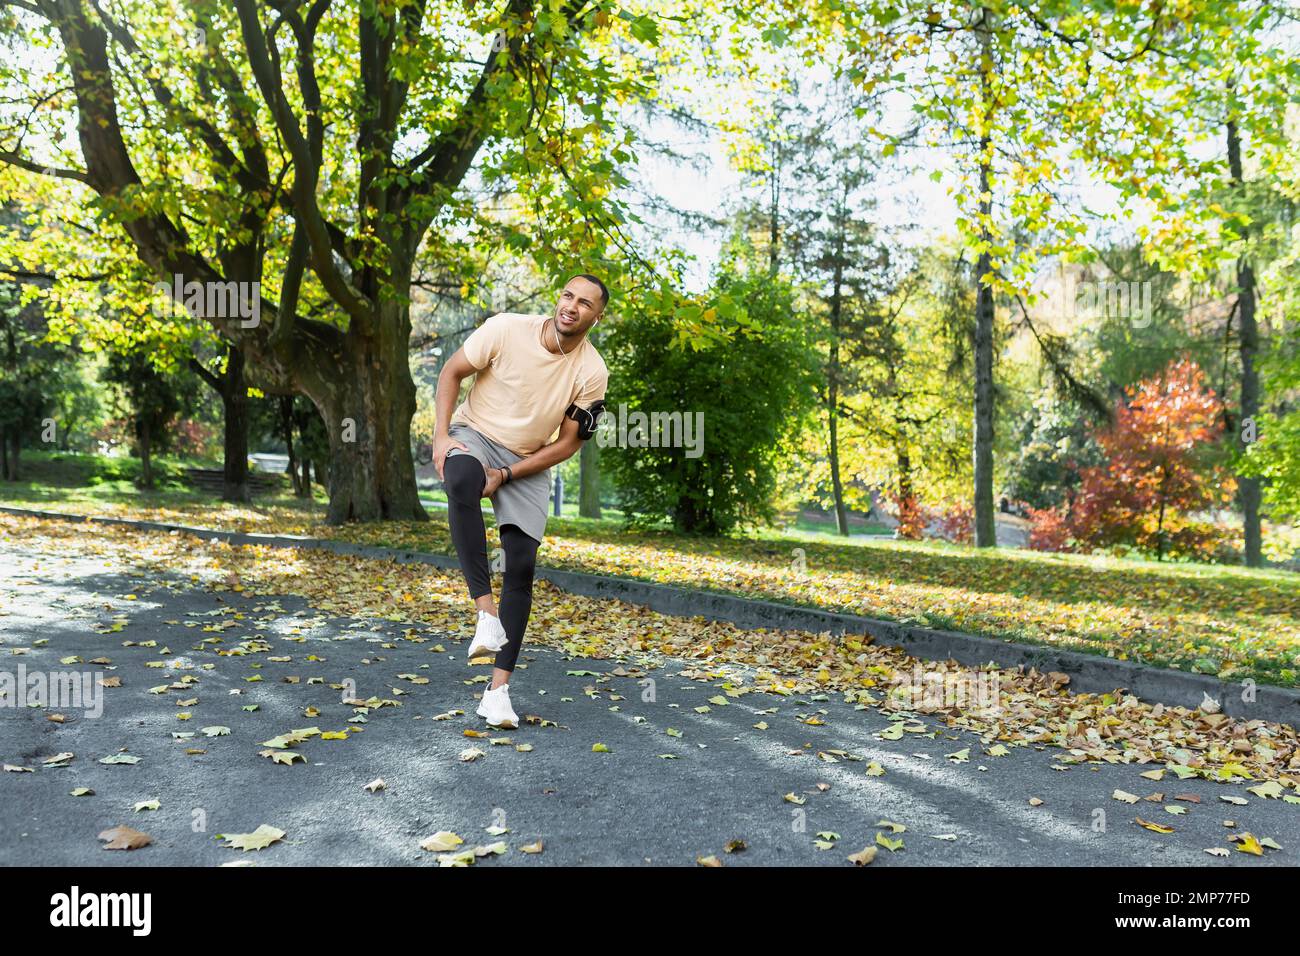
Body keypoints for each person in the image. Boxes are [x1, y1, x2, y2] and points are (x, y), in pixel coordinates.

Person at [433, 275, 610, 728]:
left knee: (522, 565)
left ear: (596, 316)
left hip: (528, 460)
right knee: (461, 477)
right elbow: (452, 372)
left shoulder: (592, 372)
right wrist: (440, 437)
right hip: (475, 433)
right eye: (568, 295)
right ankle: (485, 615)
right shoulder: (506, 328)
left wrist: (508, 473)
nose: (572, 306)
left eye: (585, 303)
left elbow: (569, 444)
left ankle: (497, 692)